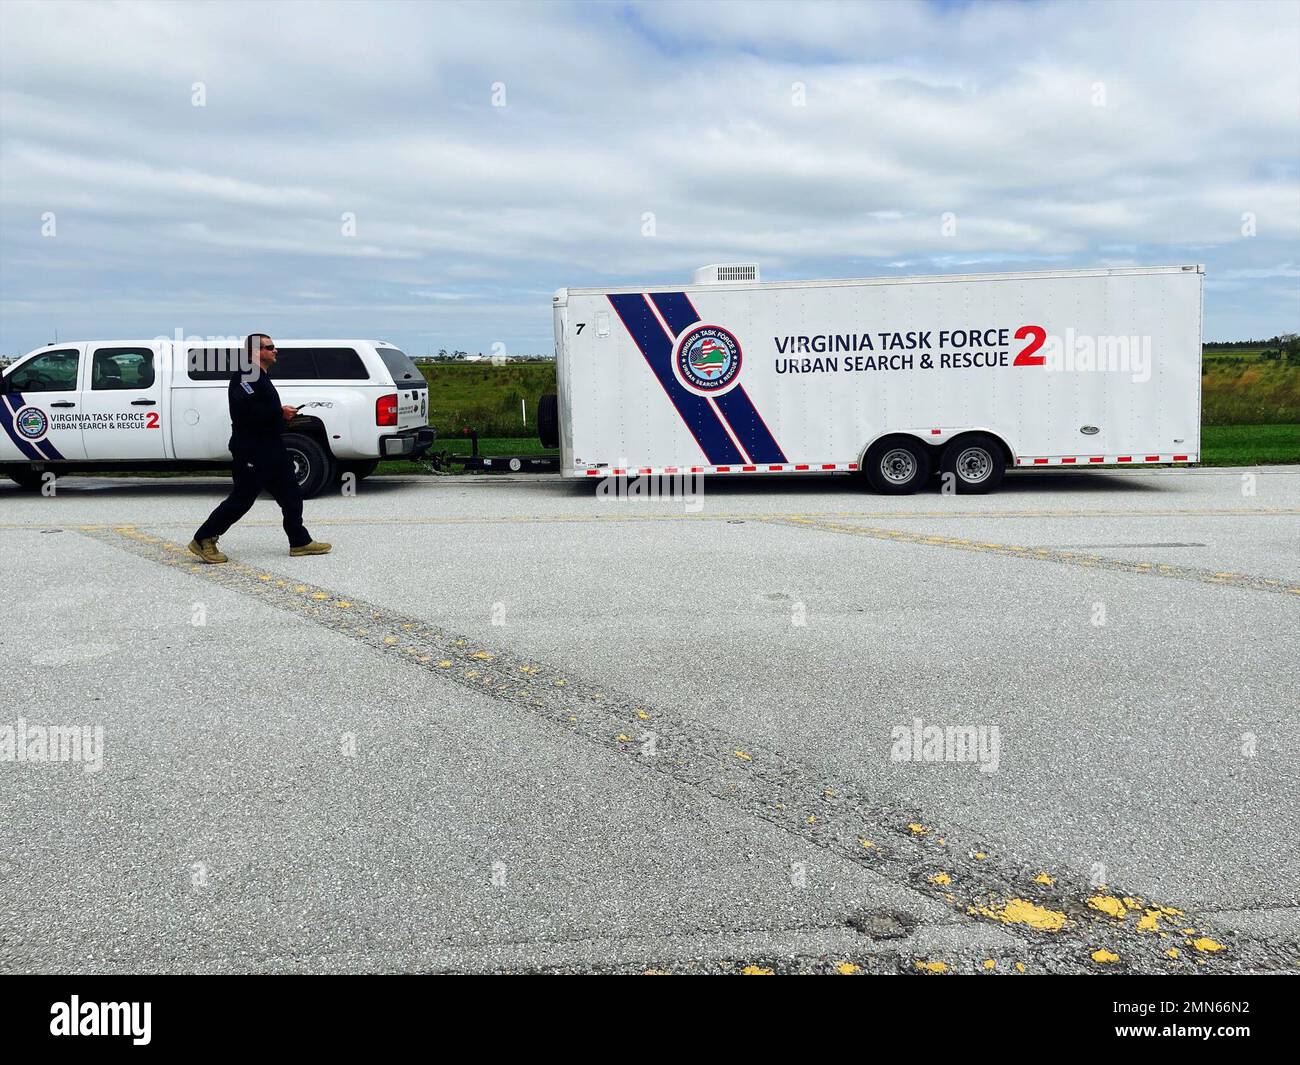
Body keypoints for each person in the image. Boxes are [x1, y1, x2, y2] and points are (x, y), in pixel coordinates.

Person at [189, 333, 331, 563]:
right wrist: (279, 413)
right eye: (270, 347)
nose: (276, 351)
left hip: (272, 448)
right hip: (251, 450)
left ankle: (299, 541)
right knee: (242, 498)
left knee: (292, 494)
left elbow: (260, 409)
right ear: (256, 351)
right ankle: (203, 538)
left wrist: (282, 415)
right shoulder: (246, 376)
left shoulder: (260, 376)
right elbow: (246, 413)